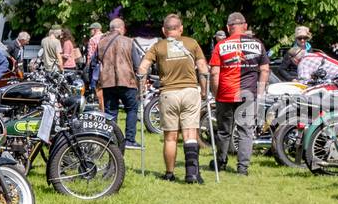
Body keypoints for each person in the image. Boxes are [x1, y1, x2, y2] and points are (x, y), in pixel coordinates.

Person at [138, 14, 209, 184]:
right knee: (190, 132)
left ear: (164, 30)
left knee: (170, 137)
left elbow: (142, 68)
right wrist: (204, 90)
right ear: (181, 28)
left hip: (168, 93)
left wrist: (141, 90)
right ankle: (191, 173)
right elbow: (203, 68)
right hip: (190, 91)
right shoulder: (192, 43)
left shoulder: (157, 46)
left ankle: (169, 174)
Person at [208, 11, 269, 176]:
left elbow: (214, 73)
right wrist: (260, 93)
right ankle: (242, 168)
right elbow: (264, 69)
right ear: (245, 26)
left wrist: (215, 92)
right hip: (249, 95)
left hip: (225, 94)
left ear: (228, 28)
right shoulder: (258, 44)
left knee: (223, 131)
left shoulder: (220, 45)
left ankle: (220, 162)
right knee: (245, 131)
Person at [96, 18, 140, 149]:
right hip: (127, 81)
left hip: (108, 82)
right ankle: (130, 140)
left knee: (111, 112)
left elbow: (94, 62)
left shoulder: (101, 43)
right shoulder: (129, 41)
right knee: (132, 109)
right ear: (121, 28)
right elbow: (137, 64)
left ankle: (111, 139)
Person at [85, 22, 104, 109]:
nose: (90, 32)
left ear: (95, 29)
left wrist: (87, 67)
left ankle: (100, 107)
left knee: (97, 86)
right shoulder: (105, 37)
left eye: (91, 30)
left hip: (96, 66)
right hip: (106, 66)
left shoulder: (92, 40)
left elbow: (90, 55)